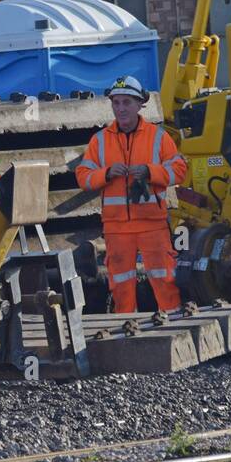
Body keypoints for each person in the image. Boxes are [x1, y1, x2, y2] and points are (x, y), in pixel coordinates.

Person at [75, 75, 187, 313]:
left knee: (164, 280)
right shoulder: (100, 140)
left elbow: (179, 171)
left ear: (139, 105)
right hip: (117, 227)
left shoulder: (158, 137)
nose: (121, 108)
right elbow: (83, 176)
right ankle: (125, 331)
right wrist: (106, 173)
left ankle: (176, 327)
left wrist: (150, 172)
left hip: (151, 224)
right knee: (120, 285)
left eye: (126, 102)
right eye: (116, 103)